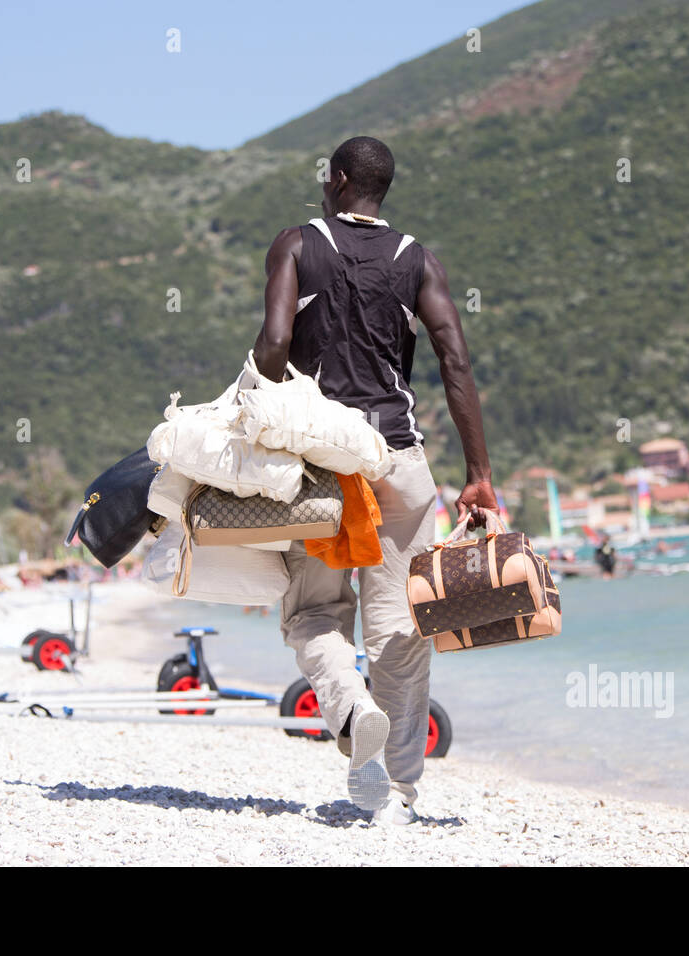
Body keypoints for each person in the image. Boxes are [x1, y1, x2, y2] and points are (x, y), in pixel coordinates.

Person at [252, 136, 497, 825]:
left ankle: (353, 715)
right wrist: (478, 474)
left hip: (323, 465)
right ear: (380, 188)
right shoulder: (416, 258)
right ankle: (403, 793)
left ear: (335, 180)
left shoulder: (296, 245)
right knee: (402, 630)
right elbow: (455, 362)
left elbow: (273, 345)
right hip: (399, 461)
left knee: (314, 614)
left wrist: (255, 423)